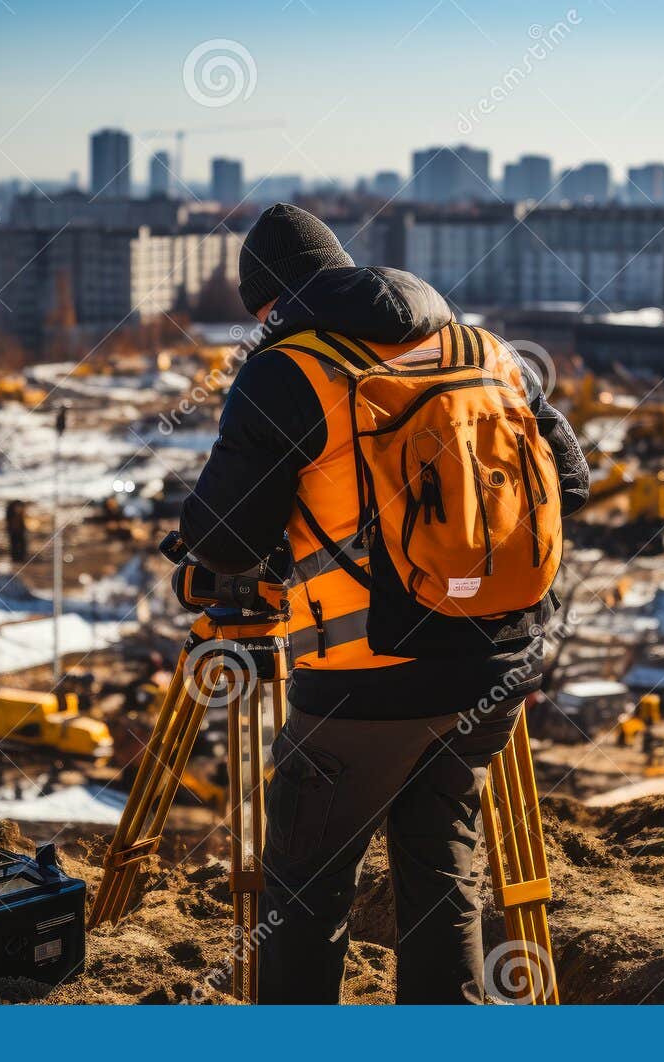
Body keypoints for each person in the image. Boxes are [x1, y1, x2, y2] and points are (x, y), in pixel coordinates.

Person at [180, 204, 590, 1004]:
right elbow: (570, 483)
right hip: (495, 671)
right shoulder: (486, 350)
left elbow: (225, 538)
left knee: (303, 893)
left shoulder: (286, 368)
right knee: (443, 878)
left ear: (271, 305)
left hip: (362, 686)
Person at [5, 499, 29, 564]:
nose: (19, 508)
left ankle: (20, 558)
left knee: (22, 544)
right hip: (13, 531)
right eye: (18, 506)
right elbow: (9, 523)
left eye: (20, 507)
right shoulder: (10, 515)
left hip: (19, 531)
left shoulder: (20, 514)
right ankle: (15, 559)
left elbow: (23, 524)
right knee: (14, 545)